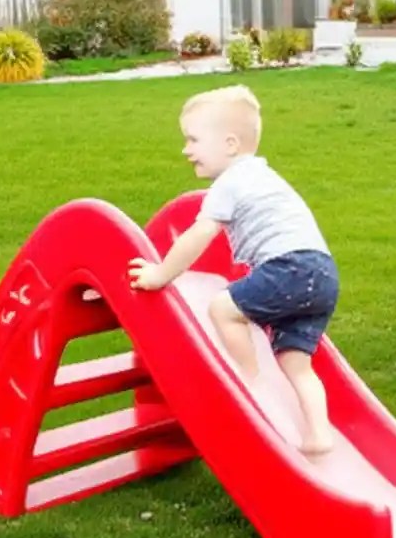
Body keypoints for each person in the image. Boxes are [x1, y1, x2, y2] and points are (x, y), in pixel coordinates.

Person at [127, 84, 339, 456]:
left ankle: (247, 382)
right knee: (295, 361)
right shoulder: (263, 177)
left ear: (229, 144)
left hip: (291, 266)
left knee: (223, 308)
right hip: (322, 274)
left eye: (193, 140)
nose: (186, 150)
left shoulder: (231, 182)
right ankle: (319, 434)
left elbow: (199, 234)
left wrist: (161, 274)